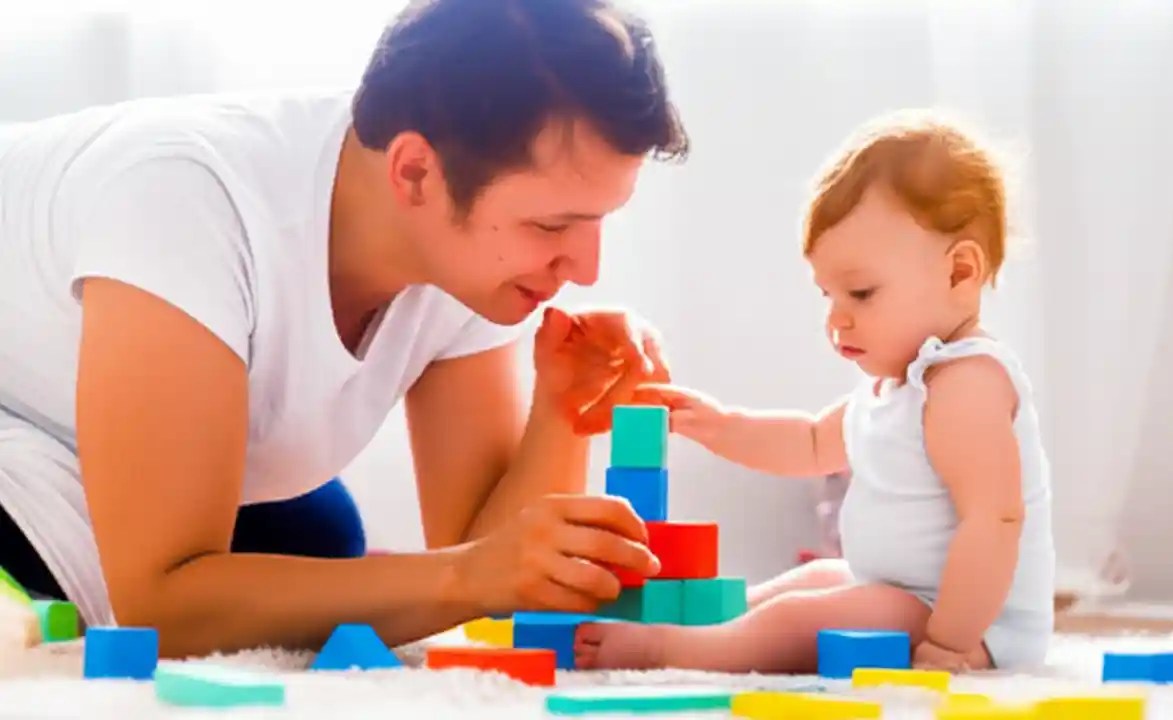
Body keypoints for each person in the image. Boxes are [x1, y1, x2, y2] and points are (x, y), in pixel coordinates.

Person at [0, 0, 688, 658]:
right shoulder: (185, 205)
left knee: (318, 539)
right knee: (275, 559)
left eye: (600, 220)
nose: (587, 269)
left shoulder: (462, 248)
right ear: (414, 171)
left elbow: (493, 569)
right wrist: (465, 574)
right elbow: (166, 609)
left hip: (87, 417)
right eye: (551, 226)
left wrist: (563, 410)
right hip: (17, 421)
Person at [576, 112, 1055, 673]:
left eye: (860, 292)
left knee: (797, 620)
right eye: (828, 294)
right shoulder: (895, 387)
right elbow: (807, 444)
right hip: (899, 593)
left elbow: (994, 520)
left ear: (959, 274)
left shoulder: (967, 383)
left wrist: (951, 642)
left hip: (969, 618)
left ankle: (670, 651)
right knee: (809, 583)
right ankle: (709, 626)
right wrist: (718, 423)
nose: (836, 320)